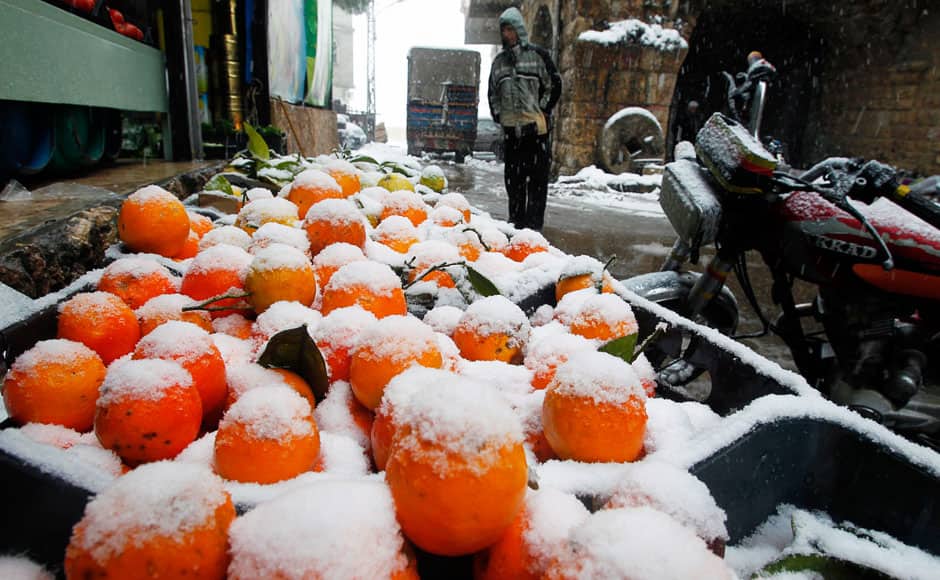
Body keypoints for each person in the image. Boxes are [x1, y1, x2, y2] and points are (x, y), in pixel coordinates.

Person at [487, 7, 561, 231]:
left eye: (510, 29)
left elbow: (554, 84)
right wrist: (499, 115)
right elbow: (493, 94)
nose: (507, 34)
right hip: (512, 135)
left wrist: (543, 109)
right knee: (514, 184)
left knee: (537, 184)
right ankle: (516, 227)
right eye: (504, 30)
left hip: (535, 132)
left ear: (519, 29)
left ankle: (534, 231)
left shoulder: (538, 56)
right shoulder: (499, 63)